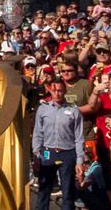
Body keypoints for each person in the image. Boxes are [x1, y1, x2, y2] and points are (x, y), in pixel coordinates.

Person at [35, 75, 86, 210]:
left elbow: (79, 137)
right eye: (54, 90)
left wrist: (80, 160)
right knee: (44, 189)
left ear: (65, 92)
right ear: (50, 91)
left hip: (67, 153)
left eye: (60, 90)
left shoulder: (74, 110)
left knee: (68, 191)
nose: (57, 93)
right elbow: (38, 134)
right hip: (47, 152)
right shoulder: (43, 109)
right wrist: (36, 155)